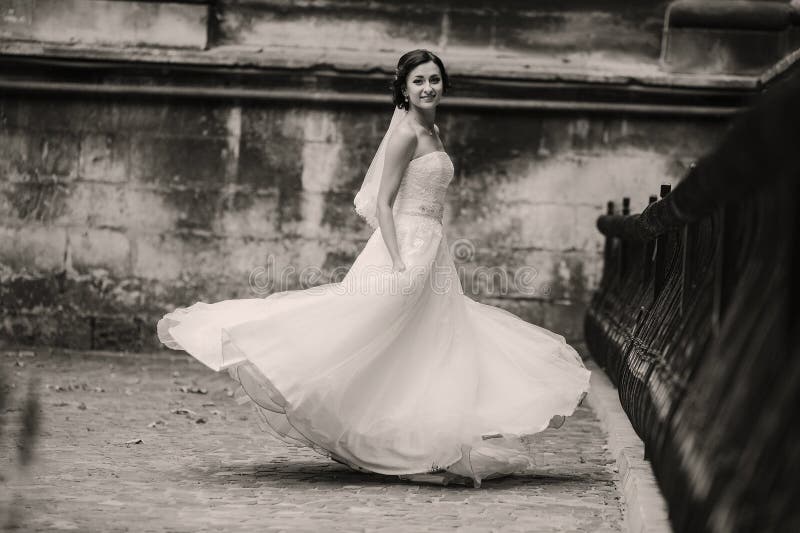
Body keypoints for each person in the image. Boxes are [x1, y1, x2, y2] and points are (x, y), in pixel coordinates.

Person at [157, 49, 591, 488]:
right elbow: (384, 203)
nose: (428, 87)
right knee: (363, 333)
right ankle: (384, 439)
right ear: (403, 88)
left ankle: (425, 447)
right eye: (418, 80)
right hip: (403, 247)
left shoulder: (432, 129)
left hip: (431, 247)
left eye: (434, 79)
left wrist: (429, 249)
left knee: (426, 344)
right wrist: (400, 259)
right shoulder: (405, 134)